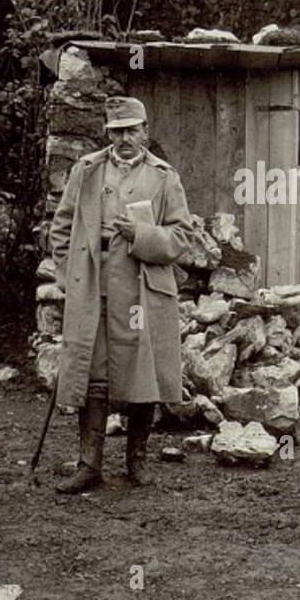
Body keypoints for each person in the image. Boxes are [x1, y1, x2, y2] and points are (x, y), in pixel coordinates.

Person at [48, 96, 198, 494]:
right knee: (92, 372)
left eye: (133, 129)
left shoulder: (165, 177)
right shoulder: (87, 171)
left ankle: (137, 464)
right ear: (107, 133)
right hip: (94, 285)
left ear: (146, 131)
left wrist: (142, 236)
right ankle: (88, 465)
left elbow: (182, 236)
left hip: (141, 287)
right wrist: (68, 278)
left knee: (141, 373)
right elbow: (62, 227)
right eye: (117, 131)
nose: (125, 138)